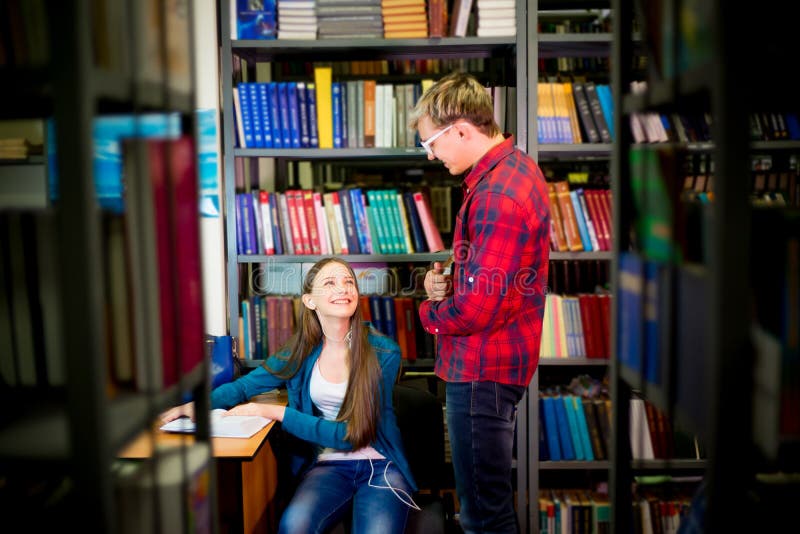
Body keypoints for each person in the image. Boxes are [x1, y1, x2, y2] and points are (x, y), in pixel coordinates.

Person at [162, 257, 418, 534]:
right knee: (293, 526)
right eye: (330, 283)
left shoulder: (383, 352)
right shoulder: (300, 352)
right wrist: (194, 407)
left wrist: (274, 411)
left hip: (381, 466)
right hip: (328, 465)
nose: (343, 288)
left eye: (348, 282)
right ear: (310, 301)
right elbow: (244, 386)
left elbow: (353, 434)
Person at [409, 71, 550, 533]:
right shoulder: (514, 168)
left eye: (431, 142)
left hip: (481, 369)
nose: (430, 155)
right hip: (496, 362)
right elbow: (493, 276)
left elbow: (475, 310)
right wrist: (451, 281)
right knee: (488, 506)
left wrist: (429, 313)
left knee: (483, 517)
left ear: (463, 130)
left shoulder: (496, 193)